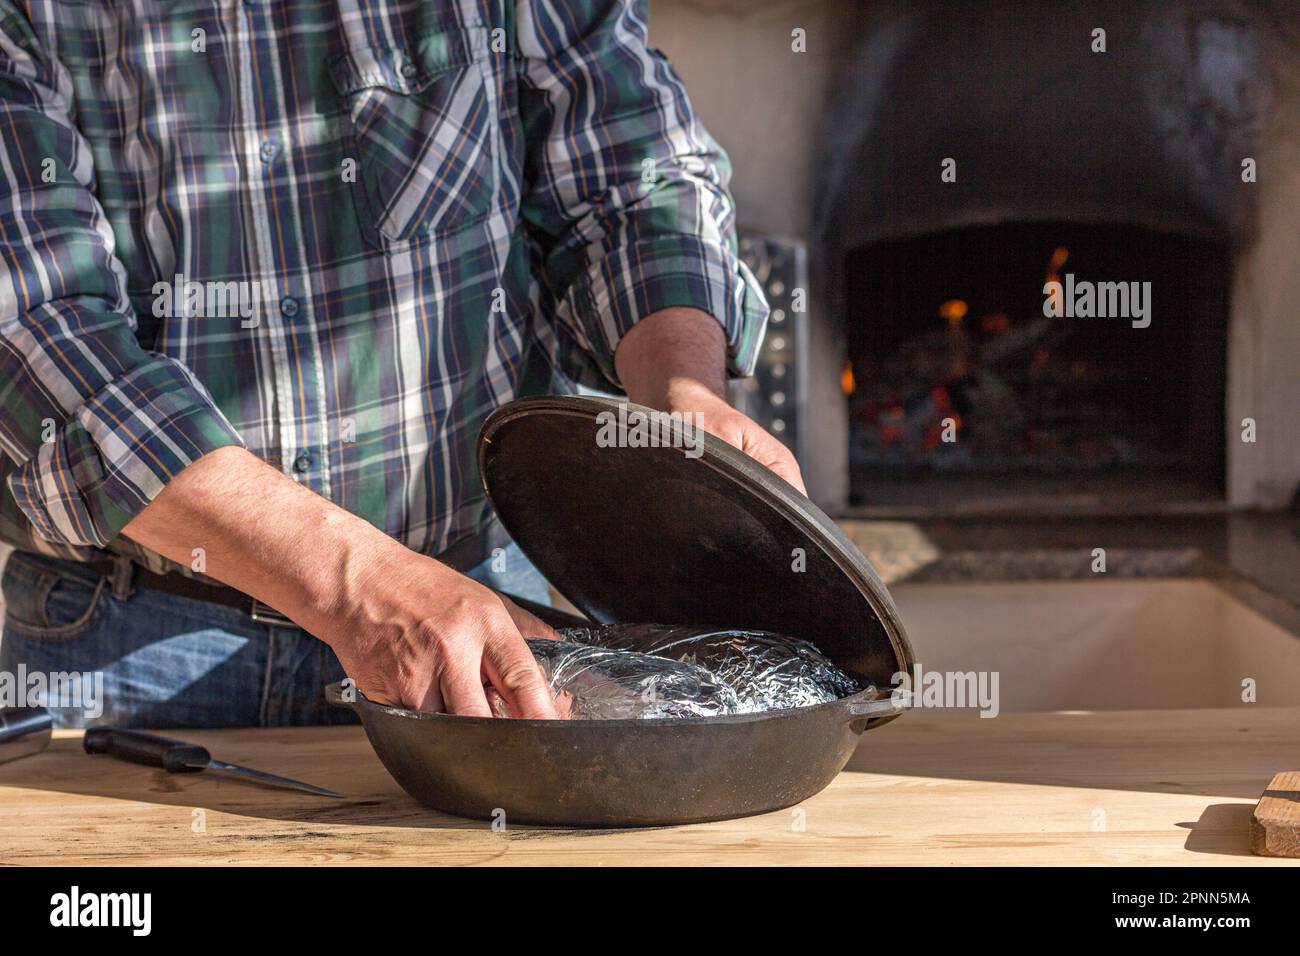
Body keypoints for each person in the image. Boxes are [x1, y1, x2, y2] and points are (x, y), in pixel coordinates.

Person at [0, 0, 802, 728]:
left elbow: (630, 176)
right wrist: (356, 582)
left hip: (483, 614)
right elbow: (35, 327)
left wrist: (681, 390)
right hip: (137, 641)